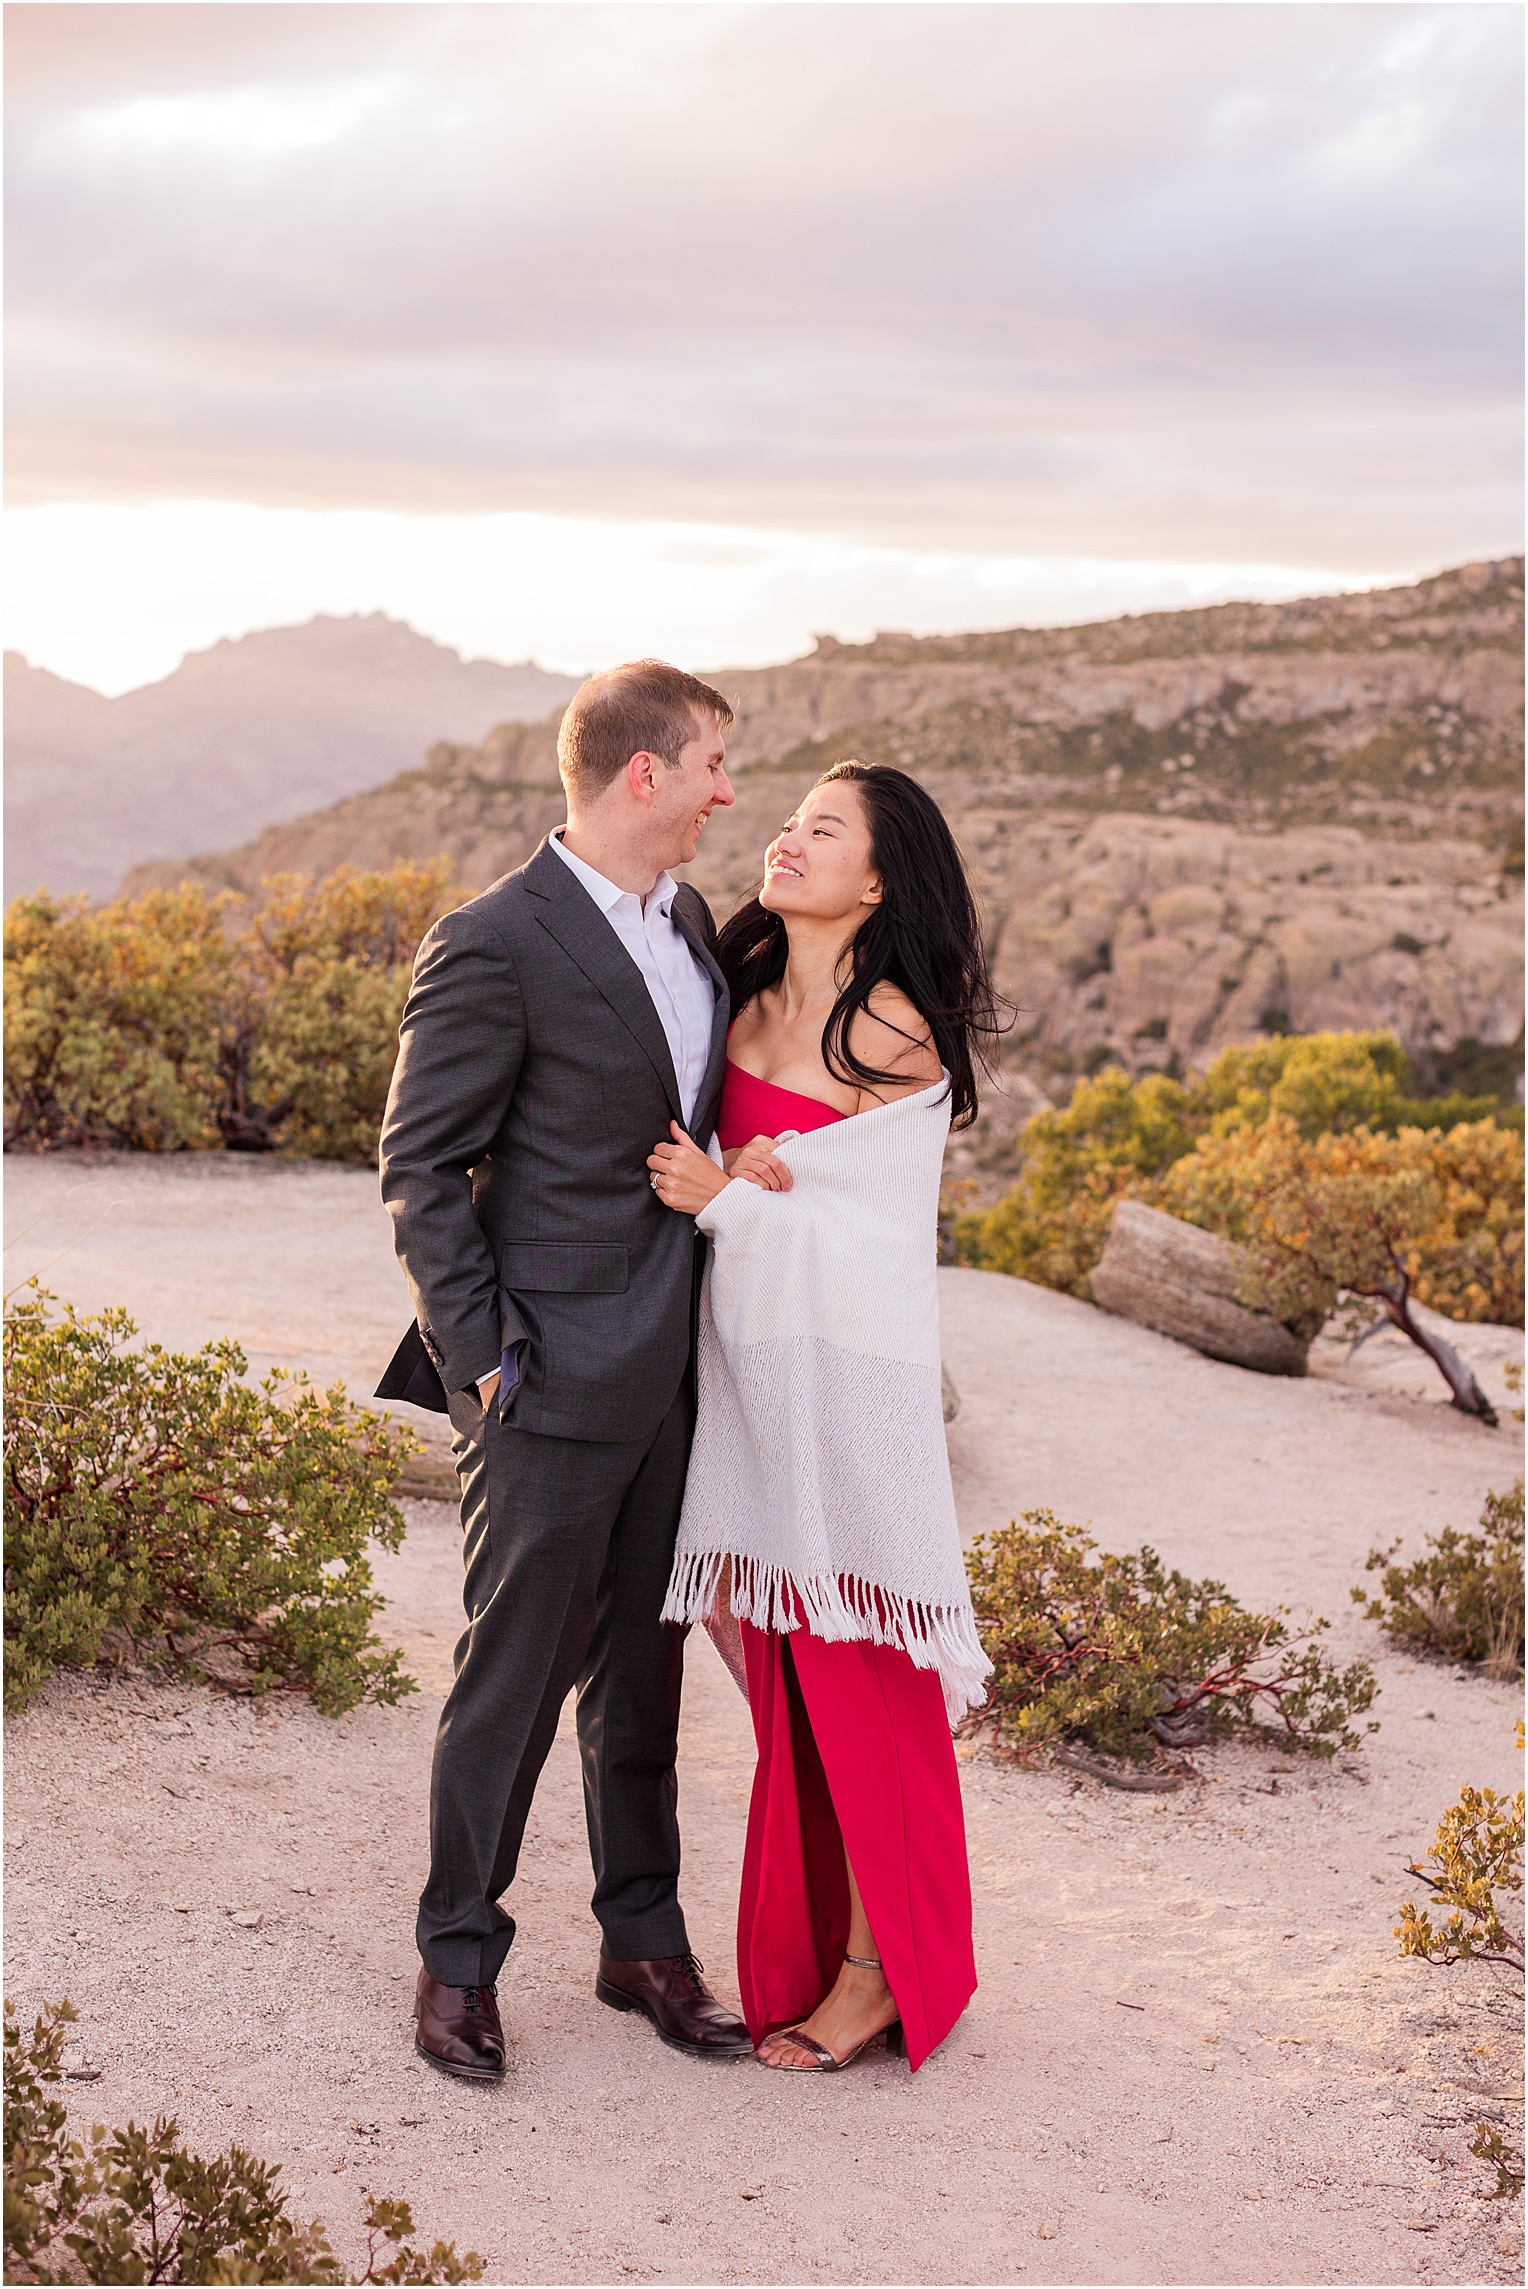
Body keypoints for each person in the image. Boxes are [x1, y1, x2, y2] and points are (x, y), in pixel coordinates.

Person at [376, 659, 755, 2081]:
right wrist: (483, 1362)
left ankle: (641, 1942)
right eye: (712, 760)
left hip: (673, 1372)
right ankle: (457, 1960)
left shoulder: (696, 922)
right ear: (641, 772)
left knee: (644, 1679)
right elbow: (420, 1167)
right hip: (540, 1379)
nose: (730, 790)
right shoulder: (494, 939)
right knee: (514, 1678)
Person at [648, 761, 1002, 2074]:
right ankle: (846, 1949)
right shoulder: (732, 1003)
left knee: (861, 1694)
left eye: (823, 830)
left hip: (845, 1406)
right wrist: (735, 1181)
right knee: (786, 1682)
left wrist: (728, 1198)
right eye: (788, 821)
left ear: (878, 879)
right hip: (743, 1396)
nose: (788, 841)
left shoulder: (891, 1033)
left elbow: (870, 1251)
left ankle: (877, 1976)